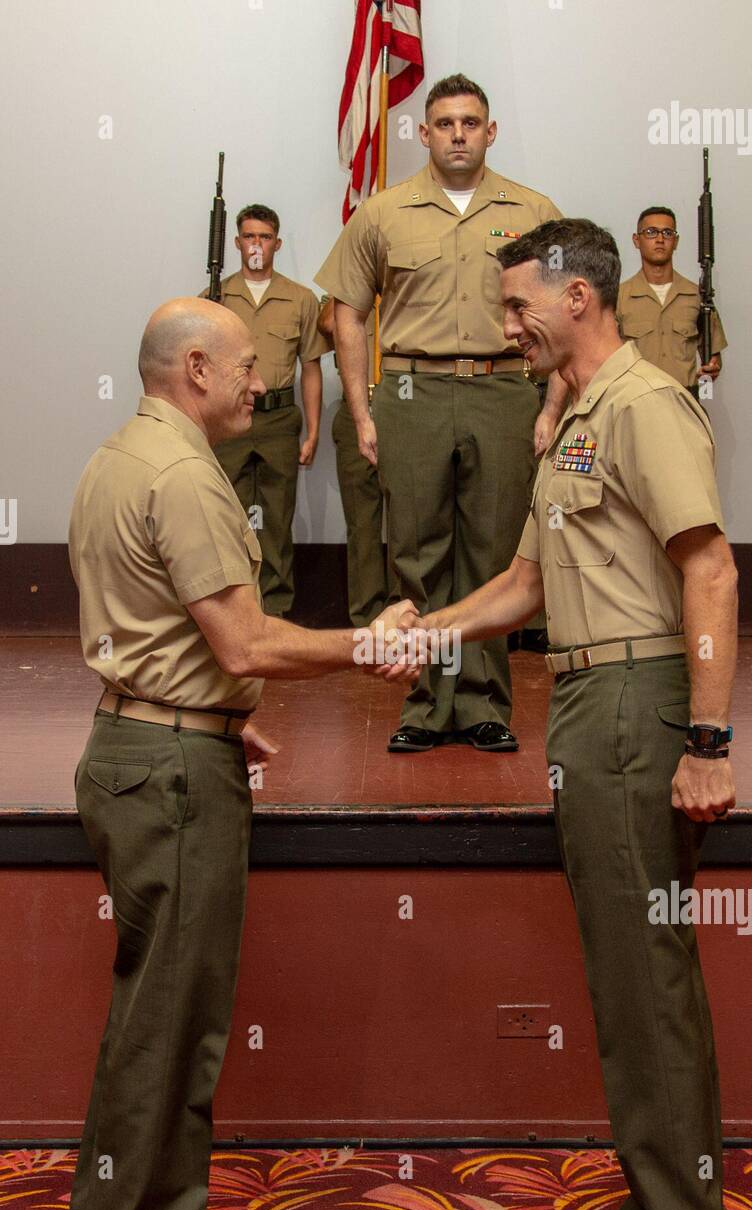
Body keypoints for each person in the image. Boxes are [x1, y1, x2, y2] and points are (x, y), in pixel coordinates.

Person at [67, 297, 421, 1210]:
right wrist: (368, 642)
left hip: (133, 742)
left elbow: (145, 627)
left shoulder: (117, 459)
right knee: (176, 1015)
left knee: (151, 1007)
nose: (262, 382)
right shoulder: (186, 476)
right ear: (196, 368)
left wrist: (225, 714)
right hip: (171, 775)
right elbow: (247, 641)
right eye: (249, 366)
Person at [416, 220, 739, 1210]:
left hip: (639, 701)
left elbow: (713, 570)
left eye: (519, 307)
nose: (507, 328)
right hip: (589, 698)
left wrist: (708, 738)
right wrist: (425, 636)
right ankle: (659, 1197)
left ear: (581, 298)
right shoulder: (573, 420)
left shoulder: (643, 404)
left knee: (648, 978)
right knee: (622, 968)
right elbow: (525, 584)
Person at [316, 73, 567, 754]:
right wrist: (363, 411)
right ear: (422, 133)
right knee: (417, 551)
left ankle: (484, 704)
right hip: (411, 394)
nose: (458, 133)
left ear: (490, 132)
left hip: (500, 391)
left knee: (491, 553)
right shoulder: (382, 212)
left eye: (470, 122)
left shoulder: (532, 209)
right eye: (445, 123)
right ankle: (426, 703)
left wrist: (551, 406)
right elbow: (346, 309)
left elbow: (561, 309)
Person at [201, 204, 329, 614]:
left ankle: (274, 611)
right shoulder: (215, 298)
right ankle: (235, 610)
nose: (257, 244)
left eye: (265, 237)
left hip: (278, 419)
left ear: (277, 243)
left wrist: (312, 430)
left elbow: (310, 367)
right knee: (227, 516)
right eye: (250, 237)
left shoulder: (300, 299)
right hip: (229, 421)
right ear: (237, 243)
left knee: (276, 519)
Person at [318, 295, 389, 627]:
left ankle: (408, 611)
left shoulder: (405, 286)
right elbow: (329, 323)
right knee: (362, 522)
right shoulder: (347, 296)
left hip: (404, 405)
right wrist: (353, 285)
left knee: (412, 519)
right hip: (356, 407)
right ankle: (368, 618)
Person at [616, 206, 727, 399]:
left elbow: (714, 353)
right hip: (635, 402)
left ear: (676, 241)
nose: (660, 239)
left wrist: (712, 369)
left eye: (667, 233)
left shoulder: (696, 296)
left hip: (684, 400)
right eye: (651, 232)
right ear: (636, 240)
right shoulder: (619, 297)